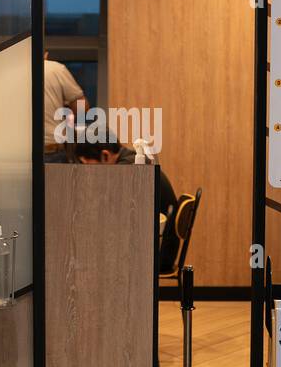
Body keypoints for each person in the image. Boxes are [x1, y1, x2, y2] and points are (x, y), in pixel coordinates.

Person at [72, 135, 181, 271]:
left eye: (88, 165)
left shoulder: (127, 170)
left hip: (157, 253)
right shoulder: (131, 160)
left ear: (105, 156)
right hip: (161, 247)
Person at [43, 51, 86, 163]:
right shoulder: (56, 69)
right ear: (45, 55)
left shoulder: (10, 73)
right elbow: (81, 105)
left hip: (16, 152)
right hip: (50, 149)